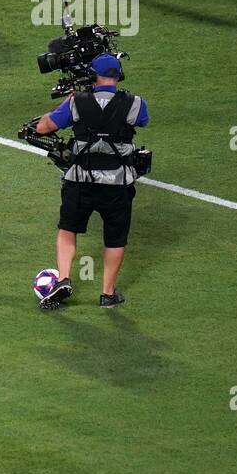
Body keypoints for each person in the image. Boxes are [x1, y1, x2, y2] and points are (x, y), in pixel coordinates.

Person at [31, 54, 149, 309]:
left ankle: (63, 279)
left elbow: (42, 128)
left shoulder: (77, 102)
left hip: (80, 181)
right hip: (118, 184)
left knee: (68, 230)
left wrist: (64, 105)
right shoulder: (136, 103)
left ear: (93, 76)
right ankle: (107, 294)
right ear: (118, 76)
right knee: (115, 239)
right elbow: (142, 120)